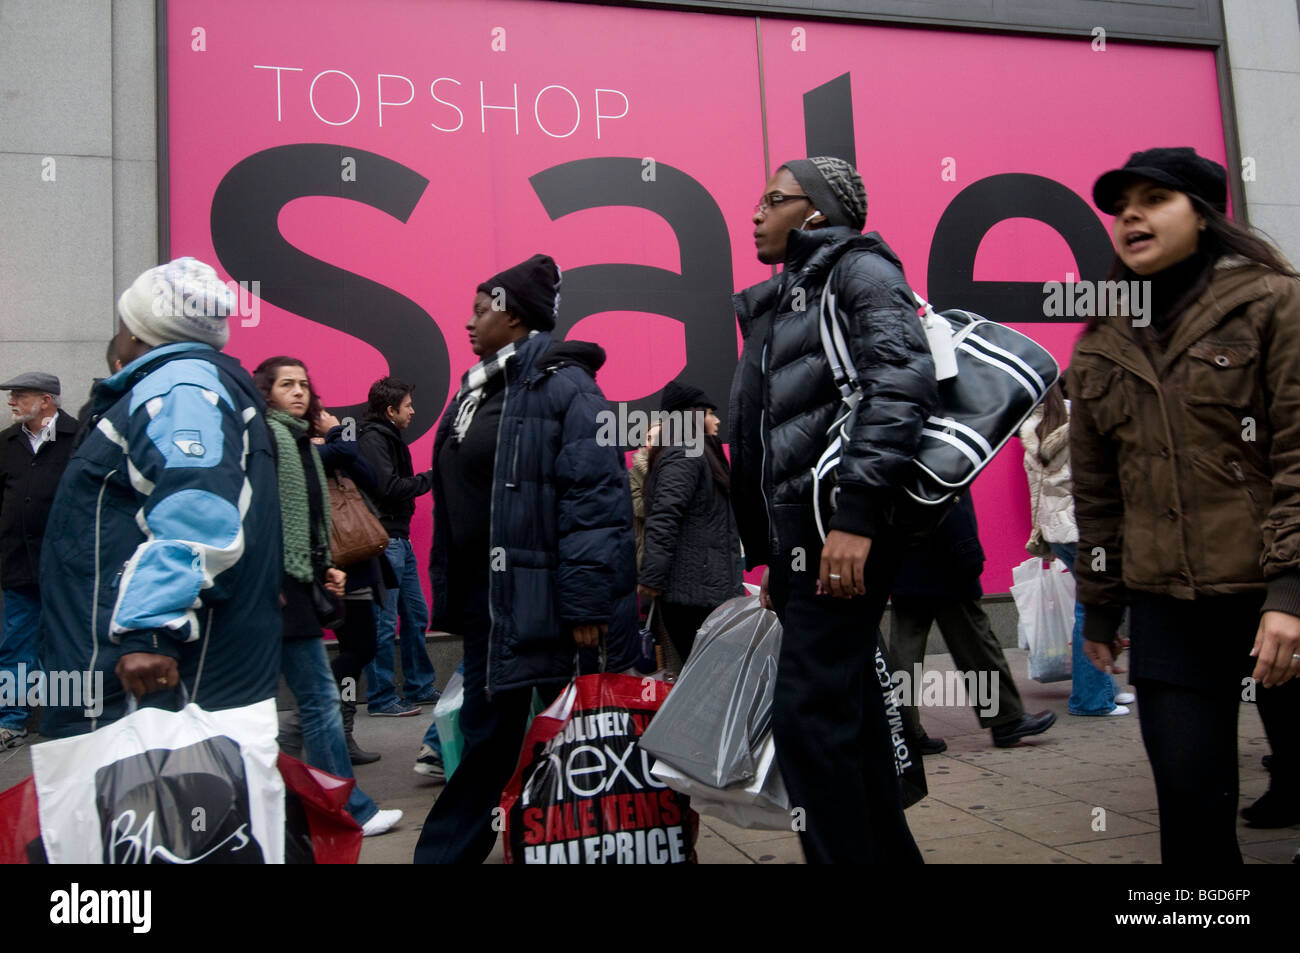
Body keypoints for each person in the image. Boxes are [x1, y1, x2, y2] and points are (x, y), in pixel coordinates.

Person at [1070, 147, 1300, 863]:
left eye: (1154, 199)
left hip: (1274, 591)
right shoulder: (1102, 339)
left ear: (1202, 216)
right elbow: (1097, 490)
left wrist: (1290, 592)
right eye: (1121, 206)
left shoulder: (1274, 302)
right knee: (1190, 806)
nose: (1131, 215)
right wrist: (1102, 602)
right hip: (1168, 603)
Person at [728, 156, 937, 863]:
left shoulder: (860, 269)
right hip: (802, 538)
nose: (755, 212)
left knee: (808, 719)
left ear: (815, 212)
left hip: (838, 531)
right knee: (846, 713)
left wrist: (856, 517)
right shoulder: (790, 293)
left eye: (773, 199)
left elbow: (899, 385)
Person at [413, 253, 638, 863]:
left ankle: (593, 840)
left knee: (570, 736)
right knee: (496, 737)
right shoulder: (480, 390)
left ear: (511, 316)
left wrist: (587, 602)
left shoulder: (566, 388)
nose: (468, 321)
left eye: (480, 309)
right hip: (498, 608)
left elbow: (597, 501)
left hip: (553, 610)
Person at [39, 258, 281, 737]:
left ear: (139, 330)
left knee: (156, 806)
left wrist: (152, 630)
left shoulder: (181, 387)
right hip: (159, 670)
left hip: (154, 679)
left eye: (124, 321)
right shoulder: (184, 385)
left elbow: (196, 508)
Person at [253, 356, 401, 837]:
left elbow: (360, 479)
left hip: (301, 581)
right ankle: (346, 808)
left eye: (302, 384)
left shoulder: (294, 440)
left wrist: (322, 569)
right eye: (285, 384)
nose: (297, 391)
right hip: (278, 588)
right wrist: (279, 577)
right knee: (315, 699)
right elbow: (262, 517)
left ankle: (292, 803)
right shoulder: (270, 441)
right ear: (265, 391)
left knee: (306, 699)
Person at [889, 493, 1058, 750]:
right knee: (976, 644)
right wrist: (968, 552)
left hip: (905, 554)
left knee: (906, 648)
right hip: (947, 557)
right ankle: (1005, 719)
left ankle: (904, 732)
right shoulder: (939, 454)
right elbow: (950, 499)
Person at [1021, 381, 1134, 717]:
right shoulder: (1080, 425)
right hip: (1085, 529)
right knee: (1094, 605)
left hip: (1058, 530)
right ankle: (1091, 699)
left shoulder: (1030, 429)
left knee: (1096, 601)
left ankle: (1105, 686)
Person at [636, 381, 744, 664]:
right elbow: (664, 516)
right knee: (706, 683)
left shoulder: (699, 454)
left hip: (707, 594)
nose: (717, 420)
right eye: (710, 413)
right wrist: (652, 579)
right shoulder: (685, 452)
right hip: (691, 598)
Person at [313, 407, 395, 764]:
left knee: (360, 647)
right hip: (327, 566)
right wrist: (335, 433)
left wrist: (336, 442)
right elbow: (344, 450)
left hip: (357, 566)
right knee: (357, 648)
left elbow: (370, 477)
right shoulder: (303, 449)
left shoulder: (335, 454)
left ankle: (341, 733)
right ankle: (323, 721)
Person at [0, 373, 78, 746]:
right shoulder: (7, 443)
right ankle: (11, 722)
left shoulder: (78, 439)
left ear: (46, 400)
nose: (12, 402)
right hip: (17, 563)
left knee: (64, 641)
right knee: (15, 644)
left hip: (64, 566)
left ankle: (65, 722)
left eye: (20, 396)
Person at [358, 377, 439, 718]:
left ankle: (419, 686)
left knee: (416, 614)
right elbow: (388, 487)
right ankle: (380, 698)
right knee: (384, 620)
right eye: (407, 406)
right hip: (386, 540)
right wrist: (431, 478)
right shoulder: (375, 438)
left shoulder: (388, 437)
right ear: (390, 410)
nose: (412, 411)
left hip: (399, 540)